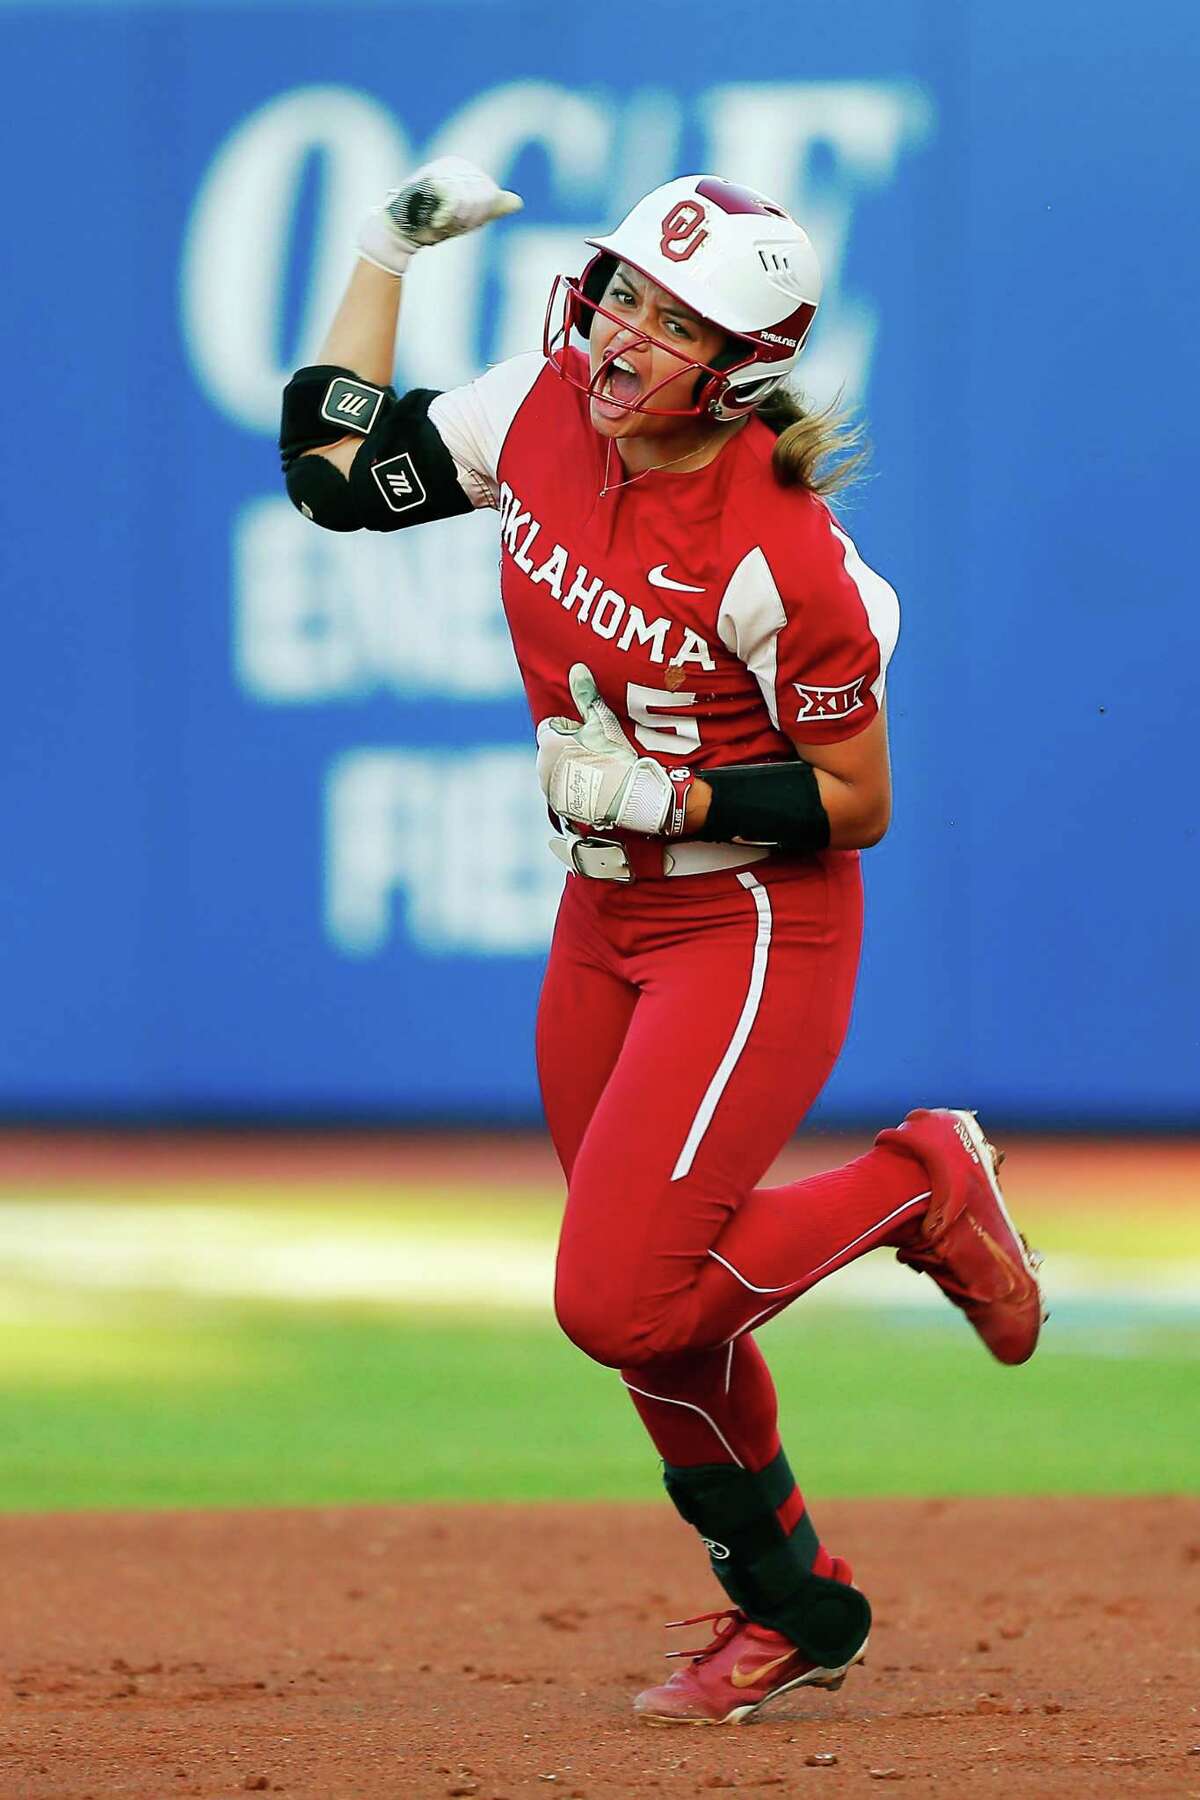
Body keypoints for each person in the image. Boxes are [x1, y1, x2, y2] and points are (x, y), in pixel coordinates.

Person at [280, 158, 1045, 1726]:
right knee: (662, 1319)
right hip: (605, 911)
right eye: (622, 288)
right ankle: (791, 1611)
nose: (624, 335)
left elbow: (858, 797)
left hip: (745, 921)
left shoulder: (782, 549)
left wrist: (669, 785)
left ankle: (921, 1185)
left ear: (745, 364)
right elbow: (332, 474)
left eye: (675, 319)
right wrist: (383, 250)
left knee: (621, 1297)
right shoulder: (542, 409)